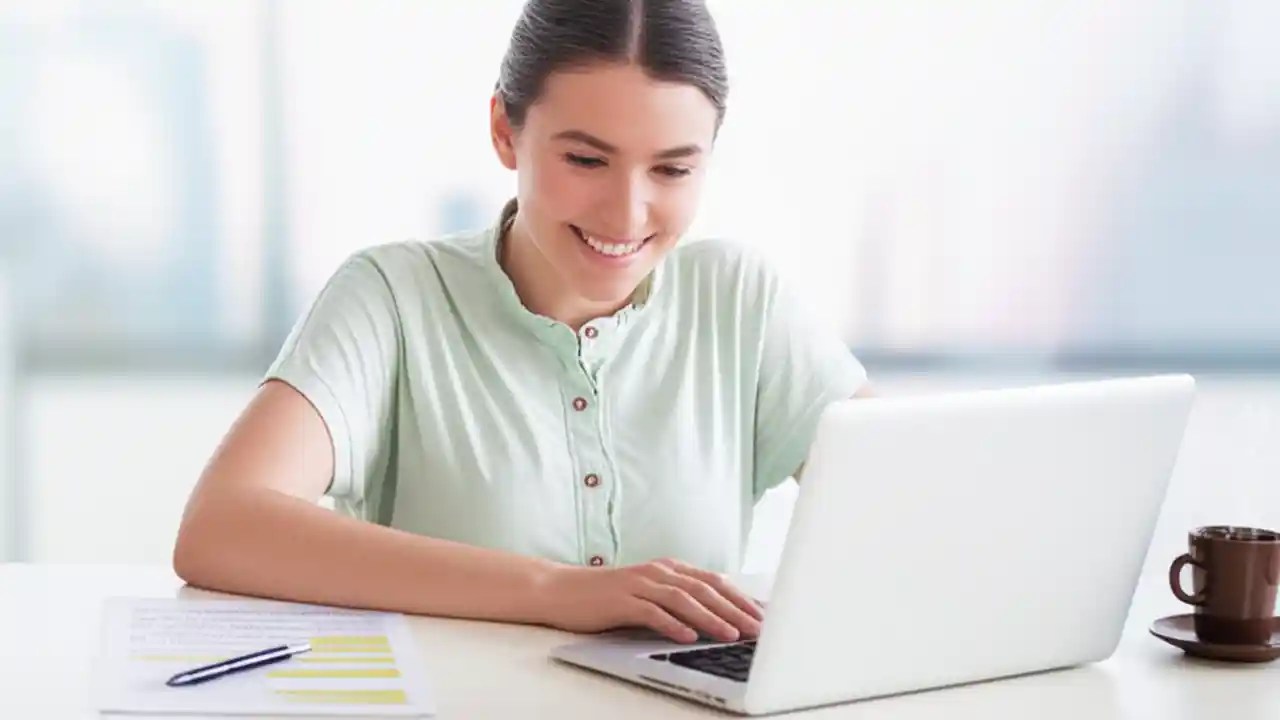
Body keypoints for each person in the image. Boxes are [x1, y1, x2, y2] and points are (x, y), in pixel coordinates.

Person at [173, 0, 872, 646]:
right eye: (586, 160)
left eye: (672, 169)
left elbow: (913, 501)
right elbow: (223, 528)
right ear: (506, 131)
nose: (627, 214)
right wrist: (560, 592)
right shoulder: (394, 297)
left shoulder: (740, 299)